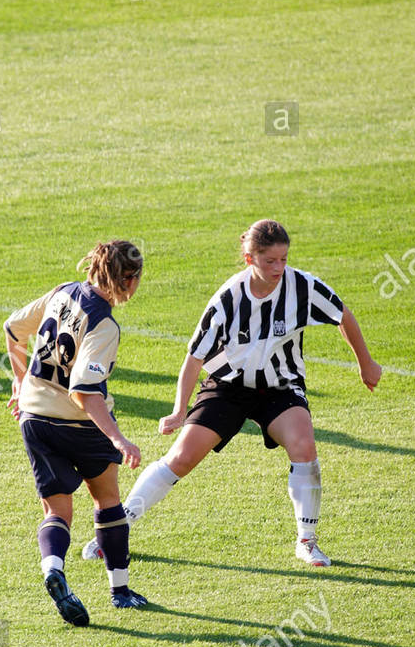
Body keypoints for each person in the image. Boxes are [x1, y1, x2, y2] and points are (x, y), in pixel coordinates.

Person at [83, 219, 381, 567]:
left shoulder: (302, 286)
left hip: (280, 387)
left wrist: (366, 362)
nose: (278, 268)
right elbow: (194, 358)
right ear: (248, 258)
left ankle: (307, 541)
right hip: (226, 388)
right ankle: (115, 532)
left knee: (304, 445)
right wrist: (180, 410)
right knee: (181, 457)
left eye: (283, 259)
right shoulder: (228, 298)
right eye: (270, 261)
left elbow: (342, 314)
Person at [5, 240, 148, 627]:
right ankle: (120, 592)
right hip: (78, 425)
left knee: (57, 511)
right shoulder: (103, 324)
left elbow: (13, 330)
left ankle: (54, 570)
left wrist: (20, 385)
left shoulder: (62, 292)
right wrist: (118, 438)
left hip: (33, 417)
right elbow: (84, 391)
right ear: (128, 280)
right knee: (106, 500)